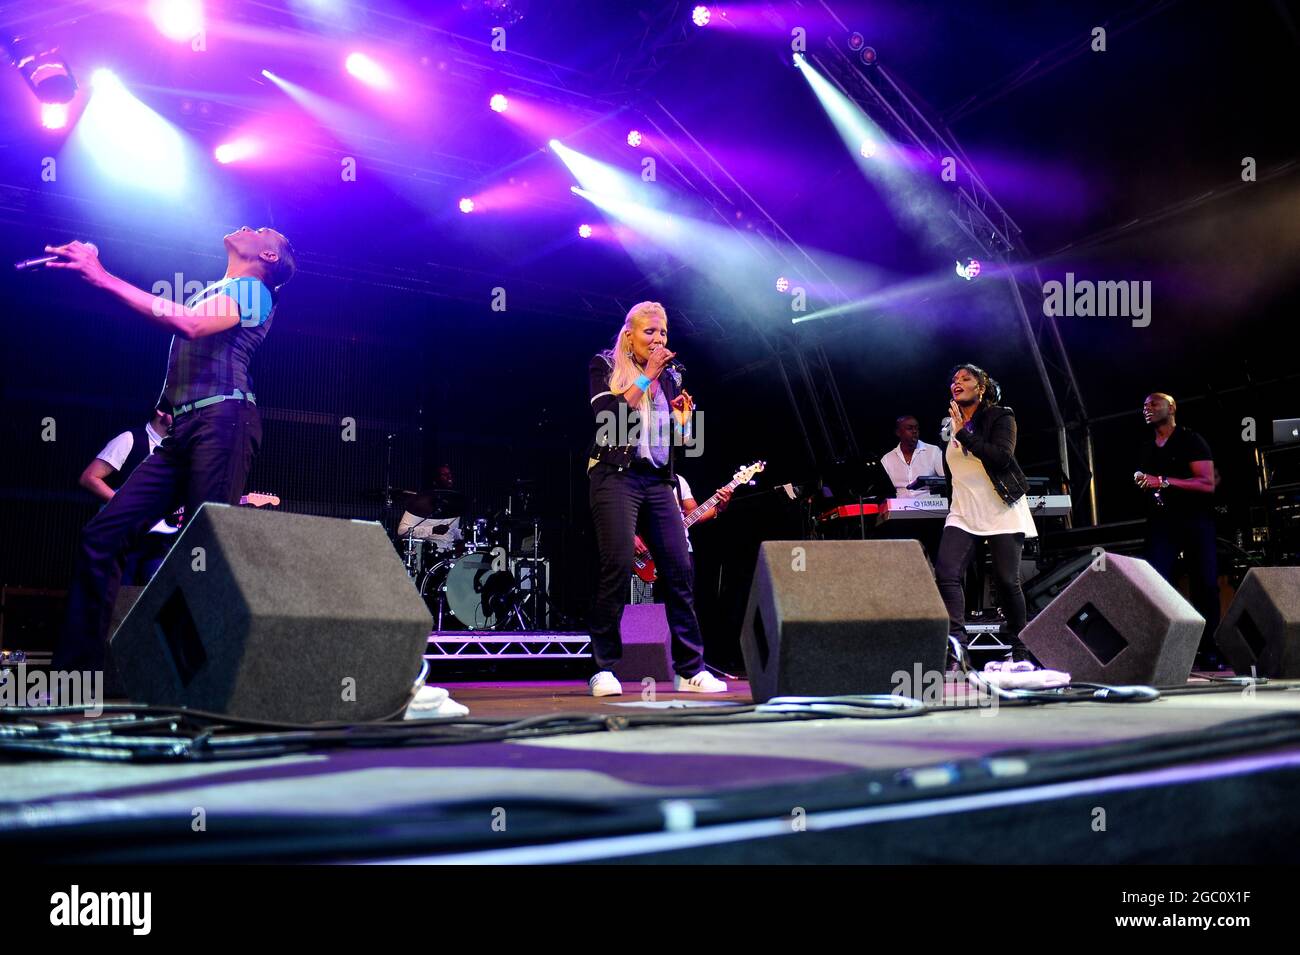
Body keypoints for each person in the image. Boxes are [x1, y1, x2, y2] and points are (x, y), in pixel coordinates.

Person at [47, 227, 295, 673]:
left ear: (267, 256)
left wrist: (102, 276)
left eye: (262, 232)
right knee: (102, 534)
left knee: (203, 548)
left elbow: (191, 325)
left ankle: (200, 676)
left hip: (224, 420)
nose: (250, 227)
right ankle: (77, 676)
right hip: (184, 430)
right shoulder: (219, 289)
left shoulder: (256, 289)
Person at [586, 301, 727, 696]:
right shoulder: (604, 365)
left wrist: (685, 420)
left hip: (658, 480)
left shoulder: (673, 376)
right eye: (650, 331)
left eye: (663, 332)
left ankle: (690, 668)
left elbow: (688, 444)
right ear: (629, 333)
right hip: (615, 475)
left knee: (680, 570)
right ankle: (603, 668)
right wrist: (647, 376)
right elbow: (608, 422)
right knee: (616, 564)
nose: (659, 339)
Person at [934, 364, 1037, 651]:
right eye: (954, 379)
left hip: (1000, 509)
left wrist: (964, 434)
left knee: (1006, 581)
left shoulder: (1001, 416)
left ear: (981, 388)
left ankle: (1020, 648)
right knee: (946, 574)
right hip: (963, 513)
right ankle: (957, 648)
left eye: (966, 379)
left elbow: (1002, 458)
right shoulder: (949, 425)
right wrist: (956, 431)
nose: (958, 383)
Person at [1134, 392, 1219, 662]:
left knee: (1204, 583)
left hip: (1195, 520)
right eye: (1145, 406)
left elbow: (1207, 483)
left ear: (1171, 407)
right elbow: (1148, 479)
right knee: (1157, 583)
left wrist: (1164, 481)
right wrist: (1142, 480)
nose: (1147, 408)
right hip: (1162, 522)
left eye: (1154, 404)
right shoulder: (1147, 447)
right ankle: (1167, 650)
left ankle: (1209, 649)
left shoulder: (1190, 440)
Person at [79, 405, 176, 585]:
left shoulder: (175, 451)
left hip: (155, 541)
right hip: (122, 536)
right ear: (160, 411)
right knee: (117, 597)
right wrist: (128, 506)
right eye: (177, 409)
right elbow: (89, 478)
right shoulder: (129, 439)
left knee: (163, 591)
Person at [397, 464, 463, 553]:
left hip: (449, 555)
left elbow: (450, 534)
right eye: (444, 475)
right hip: (427, 554)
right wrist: (432, 530)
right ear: (435, 480)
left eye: (450, 474)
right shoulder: (419, 503)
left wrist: (462, 534)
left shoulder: (455, 505)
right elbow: (402, 531)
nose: (449, 477)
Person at [880, 415, 944, 497]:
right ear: (898, 432)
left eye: (916, 428)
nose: (914, 431)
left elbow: (945, 480)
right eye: (910, 428)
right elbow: (883, 490)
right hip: (900, 506)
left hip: (930, 505)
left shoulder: (933, 451)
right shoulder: (887, 459)